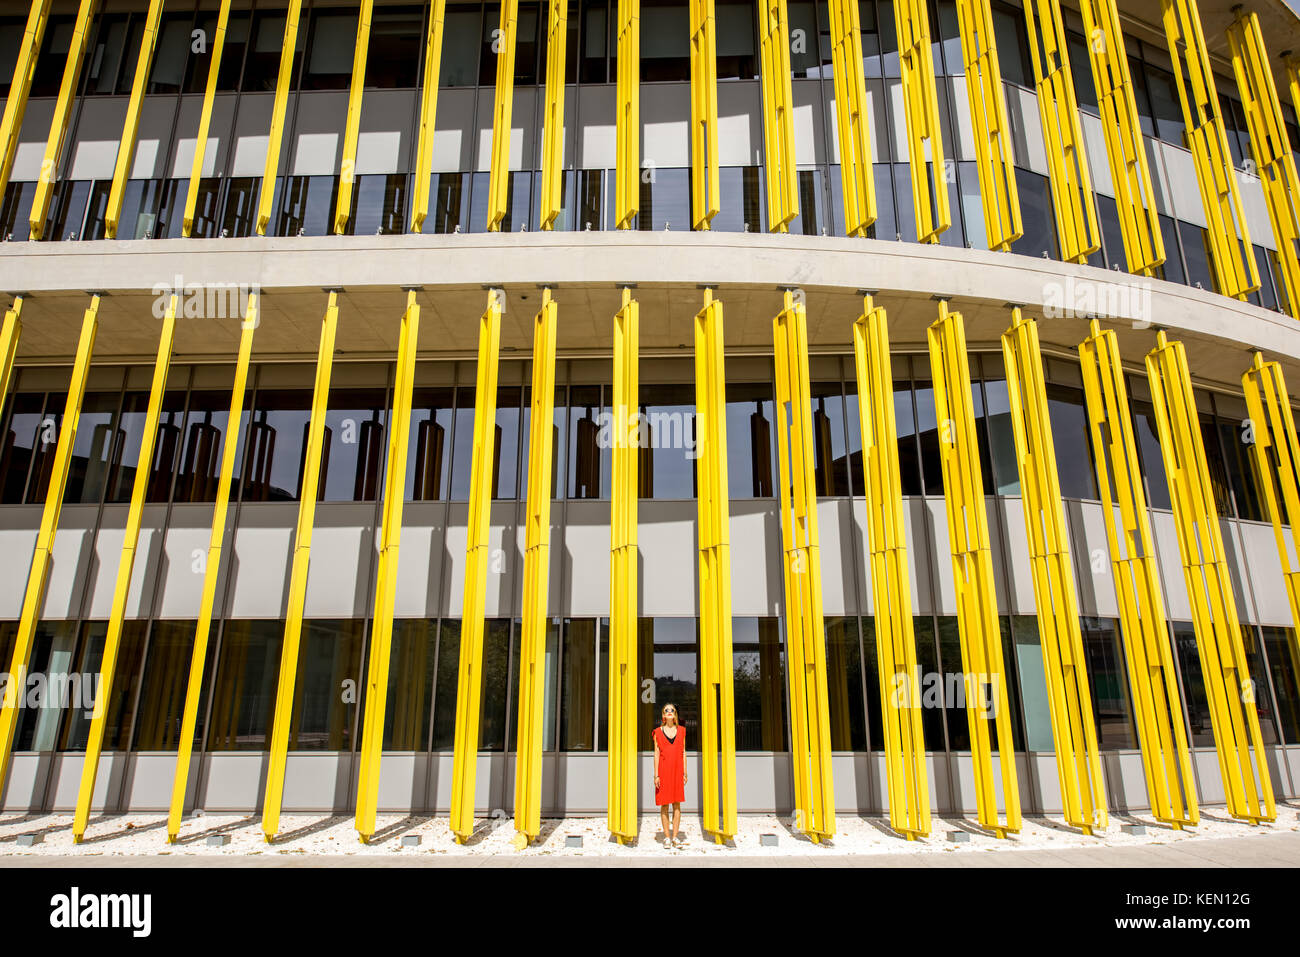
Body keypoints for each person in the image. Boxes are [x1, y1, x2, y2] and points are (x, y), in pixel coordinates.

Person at [652, 703, 687, 847]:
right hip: (664, 771)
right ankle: (666, 837)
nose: (670, 711)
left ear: (675, 715)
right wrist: (656, 775)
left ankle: (675, 837)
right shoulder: (657, 732)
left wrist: (685, 771)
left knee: (677, 804)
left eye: (672, 710)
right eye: (666, 710)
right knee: (664, 804)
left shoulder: (682, 731)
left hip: (677, 771)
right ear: (663, 715)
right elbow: (656, 754)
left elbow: (684, 752)